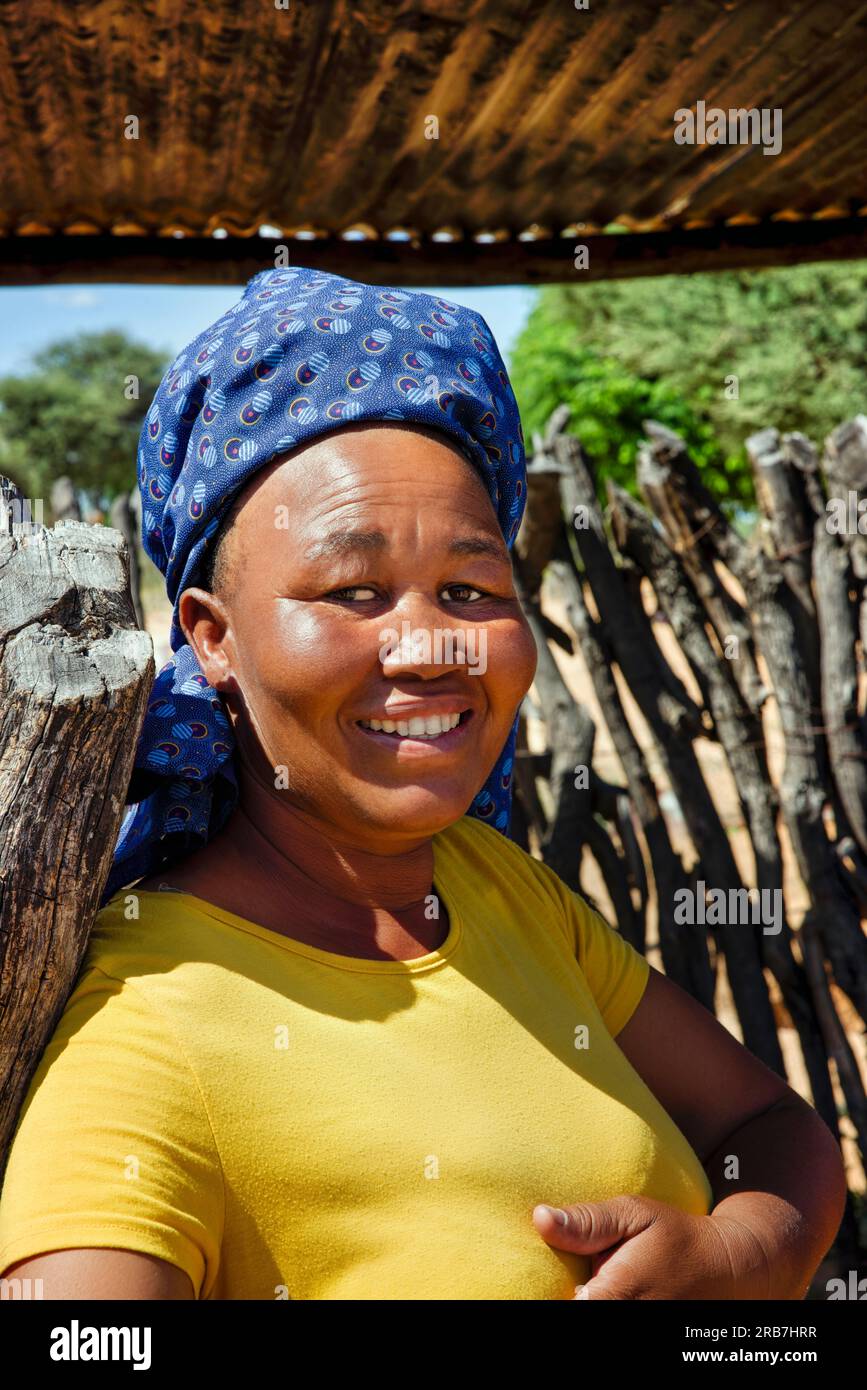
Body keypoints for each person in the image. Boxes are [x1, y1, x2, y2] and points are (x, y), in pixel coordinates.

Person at [0, 268, 846, 1301]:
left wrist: (740, 1255)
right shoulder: (146, 1027)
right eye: (353, 591)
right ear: (211, 638)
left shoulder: (506, 896)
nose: (432, 644)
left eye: (471, 587)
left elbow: (774, 1129)